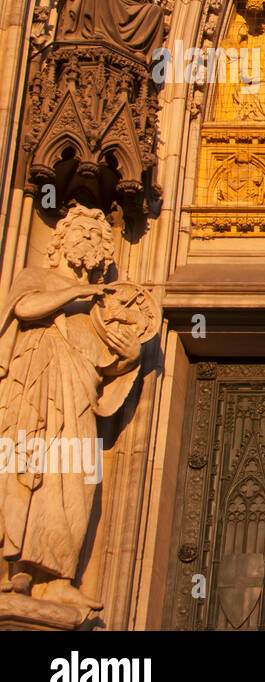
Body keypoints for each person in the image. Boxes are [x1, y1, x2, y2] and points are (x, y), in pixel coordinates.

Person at [0, 206, 152, 614]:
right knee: (22, 474)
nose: (87, 239)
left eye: (95, 235)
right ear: (59, 243)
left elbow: (105, 368)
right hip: (33, 399)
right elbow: (24, 309)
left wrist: (130, 357)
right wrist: (73, 293)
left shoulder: (102, 305)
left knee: (76, 483)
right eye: (79, 232)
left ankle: (60, 578)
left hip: (78, 402)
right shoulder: (39, 280)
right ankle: (14, 571)